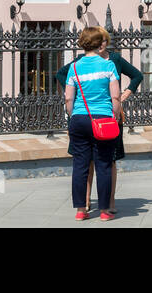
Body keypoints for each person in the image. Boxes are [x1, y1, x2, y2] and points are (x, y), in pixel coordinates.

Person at [56, 42, 142, 213]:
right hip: (99, 115)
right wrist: (78, 96)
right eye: (99, 41)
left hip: (105, 118)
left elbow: (137, 76)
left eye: (104, 41)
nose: (101, 44)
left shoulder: (114, 60)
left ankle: (109, 202)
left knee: (109, 161)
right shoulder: (80, 61)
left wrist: (126, 94)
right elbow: (60, 74)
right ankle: (86, 202)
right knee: (86, 163)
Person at [64, 26, 123, 221]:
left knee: (80, 165)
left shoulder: (74, 67)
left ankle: (81, 210)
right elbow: (115, 96)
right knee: (104, 164)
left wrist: (73, 116)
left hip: (79, 119)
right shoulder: (108, 66)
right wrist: (114, 115)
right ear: (100, 45)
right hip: (103, 118)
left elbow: (68, 98)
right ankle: (105, 211)